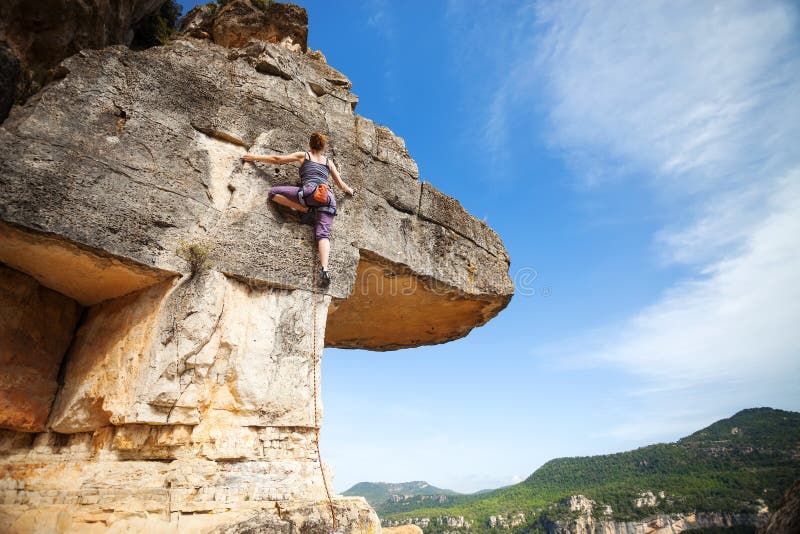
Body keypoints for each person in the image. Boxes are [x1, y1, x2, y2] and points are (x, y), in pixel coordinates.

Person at [242, 132, 355, 286]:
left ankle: (304, 210)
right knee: (323, 234)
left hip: (309, 194)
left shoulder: (304, 155)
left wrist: (253, 157)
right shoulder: (329, 163)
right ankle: (325, 269)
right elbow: (341, 185)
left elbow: (278, 160)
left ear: (310, 144)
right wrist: (351, 191)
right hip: (328, 198)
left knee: (273, 193)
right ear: (323, 147)